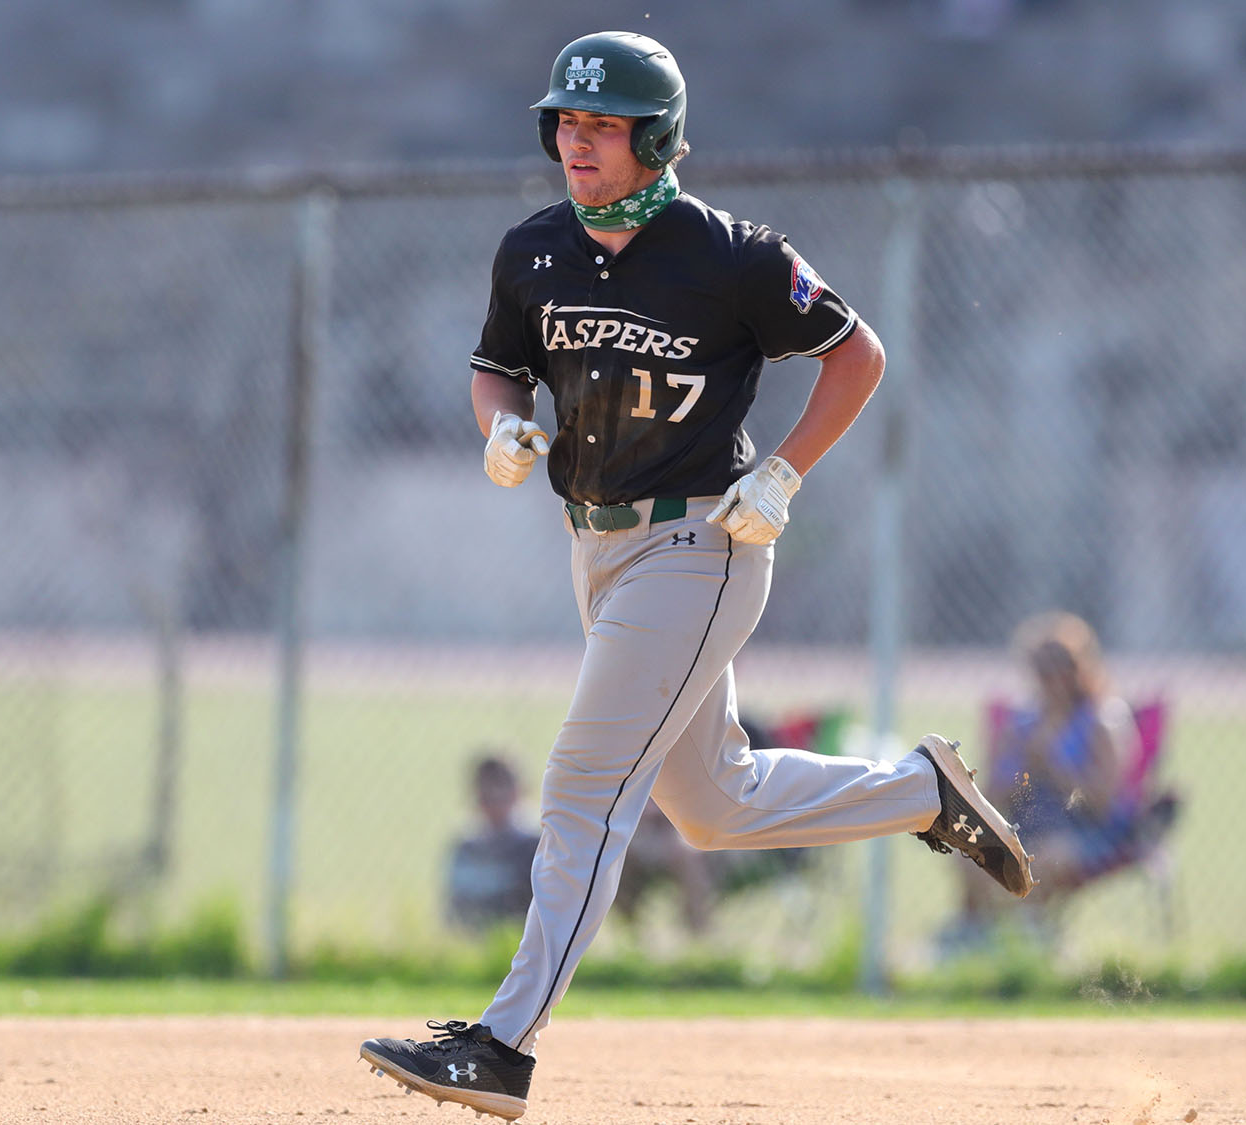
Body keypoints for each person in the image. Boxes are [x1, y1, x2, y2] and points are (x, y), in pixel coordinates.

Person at [358, 32, 1032, 1120]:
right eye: (566, 124)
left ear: (658, 137)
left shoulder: (730, 254)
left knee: (584, 782)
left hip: (699, 548)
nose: (577, 143)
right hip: (598, 548)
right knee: (712, 807)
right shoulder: (532, 249)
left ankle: (502, 1043)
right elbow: (496, 366)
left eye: (603, 126)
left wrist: (784, 473)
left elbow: (854, 354)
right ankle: (923, 792)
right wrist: (501, 428)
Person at [945, 611, 1137, 949]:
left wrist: (1052, 766)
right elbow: (993, 794)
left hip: (1083, 830)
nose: (1049, 679)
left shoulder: (1100, 723)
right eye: (1040, 669)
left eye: (1059, 667)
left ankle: (1024, 937)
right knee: (969, 852)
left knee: (1045, 859)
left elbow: (1103, 802)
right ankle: (987, 935)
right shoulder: (1021, 725)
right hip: (1026, 823)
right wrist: (1019, 770)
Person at [445, 754, 542, 931]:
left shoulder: (535, 848)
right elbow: (453, 915)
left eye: (499, 793)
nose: (493, 802)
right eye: (486, 794)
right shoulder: (465, 850)